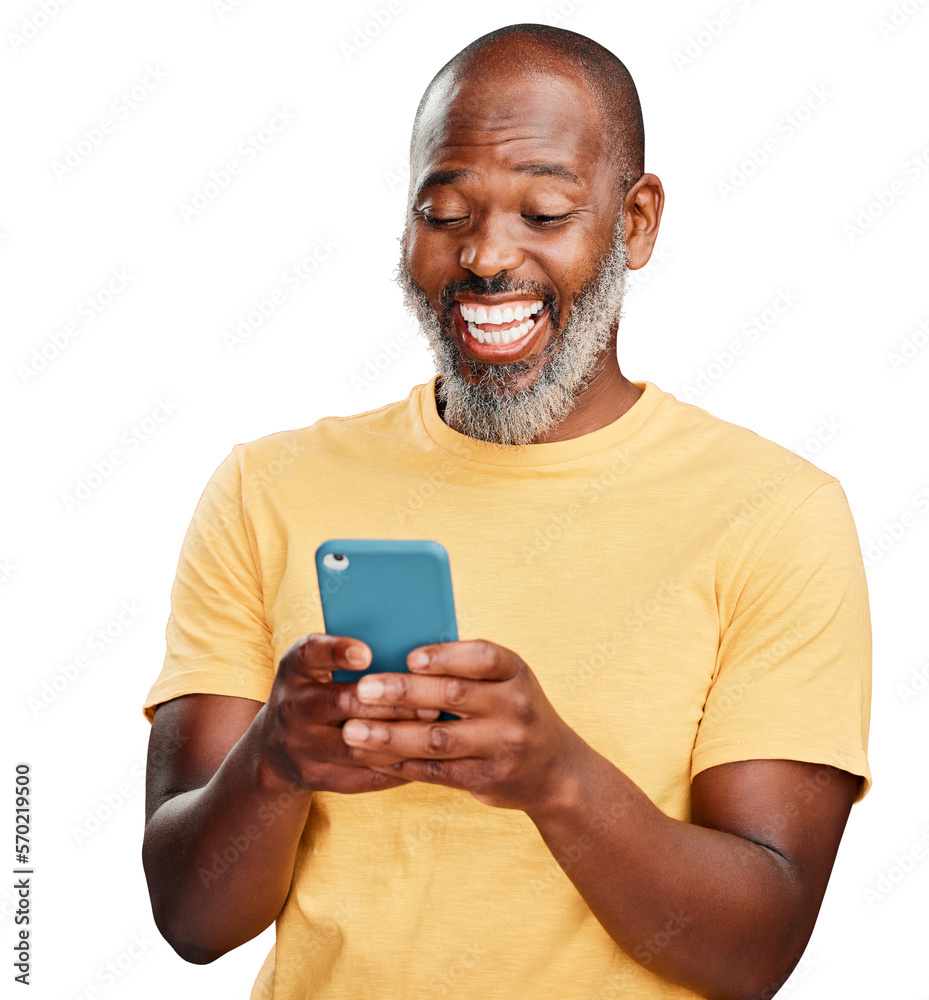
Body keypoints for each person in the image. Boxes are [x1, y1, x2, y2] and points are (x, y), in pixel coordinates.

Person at [142, 22, 872, 1000]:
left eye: (543, 210)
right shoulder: (264, 489)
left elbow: (754, 953)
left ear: (636, 220)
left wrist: (555, 775)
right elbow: (192, 920)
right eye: (445, 211)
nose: (487, 256)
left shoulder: (776, 515)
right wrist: (274, 763)